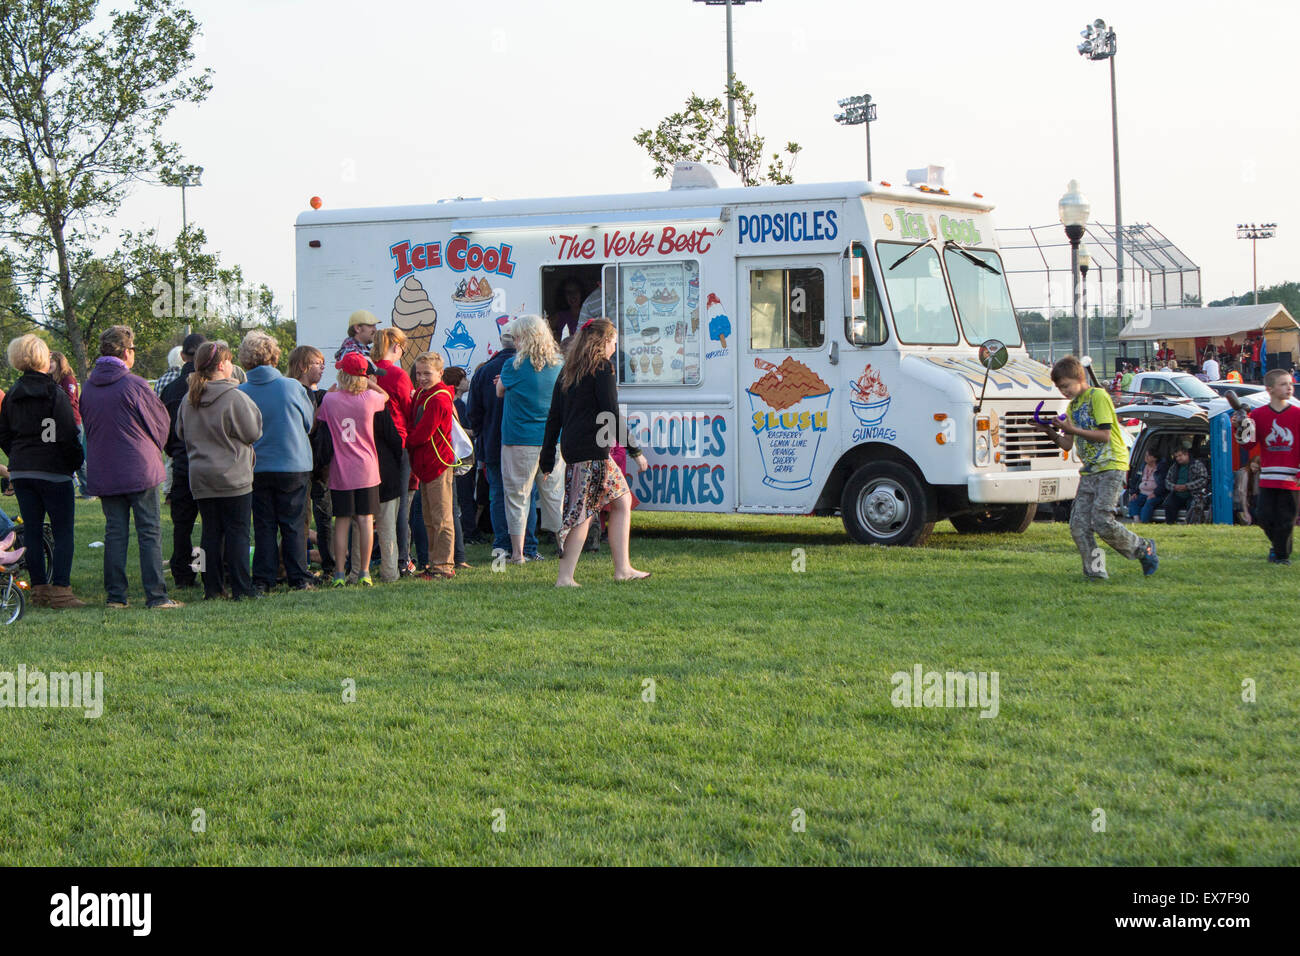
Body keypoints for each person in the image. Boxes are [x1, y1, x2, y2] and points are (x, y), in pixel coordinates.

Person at [540, 318, 650, 587]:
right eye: (613, 342)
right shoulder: (603, 368)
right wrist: (634, 449)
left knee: (622, 501)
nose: (614, 347)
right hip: (592, 451)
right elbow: (611, 411)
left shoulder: (568, 371)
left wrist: (547, 458)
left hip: (578, 448)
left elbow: (554, 417)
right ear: (604, 341)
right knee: (582, 513)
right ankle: (565, 578)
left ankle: (622, 568)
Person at [80, 325, 182, 609]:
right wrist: (153, 447)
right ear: (126, 352)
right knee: (149, 531)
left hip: (105, 469)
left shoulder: (88, 388)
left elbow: (88, 427)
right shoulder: (134, 384)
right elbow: (160, 423)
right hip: (139, 468)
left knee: (114, 532)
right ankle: (156, 596)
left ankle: (116, 597)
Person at [1034, 355, 1159, 580]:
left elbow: (1104, 435)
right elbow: (1066, 443)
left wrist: (1072, 430)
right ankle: (1096, 571)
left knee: (1102, 520)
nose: (1064, 392)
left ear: (1079, 378)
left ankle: (1143, 548)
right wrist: (1049, 431)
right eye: (1060, 388)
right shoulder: (1073, 407)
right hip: (1091, 470)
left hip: (1111, 465)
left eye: (1066, 386)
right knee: (1079, 525)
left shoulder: (1098, 396)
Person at [0, 335, 86, 608]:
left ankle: (38, 588)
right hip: (53, 470)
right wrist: (74, 461)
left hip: (23, 470)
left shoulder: (12, 394)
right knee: (62, 531)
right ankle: (61, 589)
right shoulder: (54, 393)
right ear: (42, 358)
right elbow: (67, 432)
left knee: (33, 530)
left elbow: (4, 433)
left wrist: (16, 457)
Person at [177, 340, 263, 601]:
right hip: (233, 475)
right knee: (237, 532)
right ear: (223, 364)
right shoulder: (234, 397)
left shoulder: (189, 397)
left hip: (201, 476)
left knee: (210, 533)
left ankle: (212, 588)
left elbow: (180, 432)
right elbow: (253, 432)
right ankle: (241, 588)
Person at [238, 330, 316, 592]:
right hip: (293, 463)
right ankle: (299, 577)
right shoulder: (292, 387)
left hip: (257, 466)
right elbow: (308, 423)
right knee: (294, 525)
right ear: (274, 355)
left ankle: (263, 578)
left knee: (264, 525)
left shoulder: (241, 392)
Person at [497, 314, 565, 564]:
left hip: (518, 439)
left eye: (516, 336)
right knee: (554, 495)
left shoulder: (513, 365)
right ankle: (563, 546)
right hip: (552, 440)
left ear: (523, 338)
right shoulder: (559, 364)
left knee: (517, 496)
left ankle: (517, 554)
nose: (514, 341)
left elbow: (499, 391)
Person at [317, 351, 388, 587]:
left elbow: (321, 416)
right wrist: (368, 381)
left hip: (340, 470)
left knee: (342, 521)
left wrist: (336, 388)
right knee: (366, 520)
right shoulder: (369, 398)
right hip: (367, 468)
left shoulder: (331, 400)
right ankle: (364, 572)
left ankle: (339, 573)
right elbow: (385, 396)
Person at [1235, 368, 1300, 564]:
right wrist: (1240, 426)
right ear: (1269, 389)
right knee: (1263, 516)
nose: (1289, 387)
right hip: (1268, 477)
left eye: (1290, 384)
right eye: (1283, 384)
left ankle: (1280, 556)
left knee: (1286, 520)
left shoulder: (1298, 414)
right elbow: (1248, 444)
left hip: (1291, 477)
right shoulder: (1259, 415)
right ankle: (1280, 548)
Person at [161, 333, 207, 590]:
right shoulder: (211, 385)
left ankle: (183, 573)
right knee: (210, 524)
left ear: (183, 356)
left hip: (181, 462)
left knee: (183, 525)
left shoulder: (171, 389)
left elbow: (164, 430)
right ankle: (206, 570)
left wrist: (173, 450)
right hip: (209, 461)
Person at [407, 352, 458, 579]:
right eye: (418, 373)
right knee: (430, 518)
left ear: (440, 373)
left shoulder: (438, 398)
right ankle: (433, 563)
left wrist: (402, 440)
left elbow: (423, 434)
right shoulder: (423, 394)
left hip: (438, 464)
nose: (422, 378)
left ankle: (444, 565)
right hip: (427, 465)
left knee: (442, 518)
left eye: (427, 373)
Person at [370, 327, 416, 576]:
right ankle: (401, 559)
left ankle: (373, 557)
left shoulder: (368, 373)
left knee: (372, 506)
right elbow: (409, 411)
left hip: (370, 443)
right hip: (398, 442)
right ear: (396, 347)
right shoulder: (398, 374)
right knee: (398, 505)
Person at [467, 328, 516, 557]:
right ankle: (525, 544)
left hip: (492, 441)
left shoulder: (484, 371)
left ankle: (502, 543)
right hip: (522, 440)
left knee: (497, 493)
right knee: (524, 493)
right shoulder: (526, 367)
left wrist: (482, 432)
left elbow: (472, 412)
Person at [288, 345, 333, 575]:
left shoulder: (322, 393)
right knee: (300, 519)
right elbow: (307, 427)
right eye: (317, 363)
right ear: (304, 366)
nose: (322, 367)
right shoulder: (292, 391)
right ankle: (297, 566)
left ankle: (328, 564)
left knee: (324, 517)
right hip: (299, 464)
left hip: (320, 464)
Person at [49, 351, 90, 497]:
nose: (48, 364)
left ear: (59, 363)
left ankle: (88, 490)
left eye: (51, 361)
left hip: (72, 422)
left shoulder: (68, 379)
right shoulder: (50, 379)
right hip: (56, 422)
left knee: (77, 456)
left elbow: (71, 399)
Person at [1162, 441, 1209, 525]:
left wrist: (1187, 486)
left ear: (1186, 454)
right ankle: (1170, 525)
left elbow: (1203, 479)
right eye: (1176, 457)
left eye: (1180, 456)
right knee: (1168, 504)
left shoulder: (1197, 464)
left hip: (1193, 494)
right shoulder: (1174, 467)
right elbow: (1167, 481)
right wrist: (1174, 487)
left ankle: (1190, 525)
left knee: (1193, 506)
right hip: (1177, 494)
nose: (1178, 458)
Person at [1125, 448, 1166, 524]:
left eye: (1148, 456)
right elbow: (1135, 481)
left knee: (1148, 503)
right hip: (1142, 493)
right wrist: (1134, 492)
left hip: (1156, 495)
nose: (1145, 458)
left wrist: (1155, 494)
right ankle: (1137, 521)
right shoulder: (1143, 466)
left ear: (1155, 458)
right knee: (1133, 501)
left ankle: (1144, 523)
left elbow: (1163, 484)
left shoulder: (1161, 469)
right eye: (1145, 455)